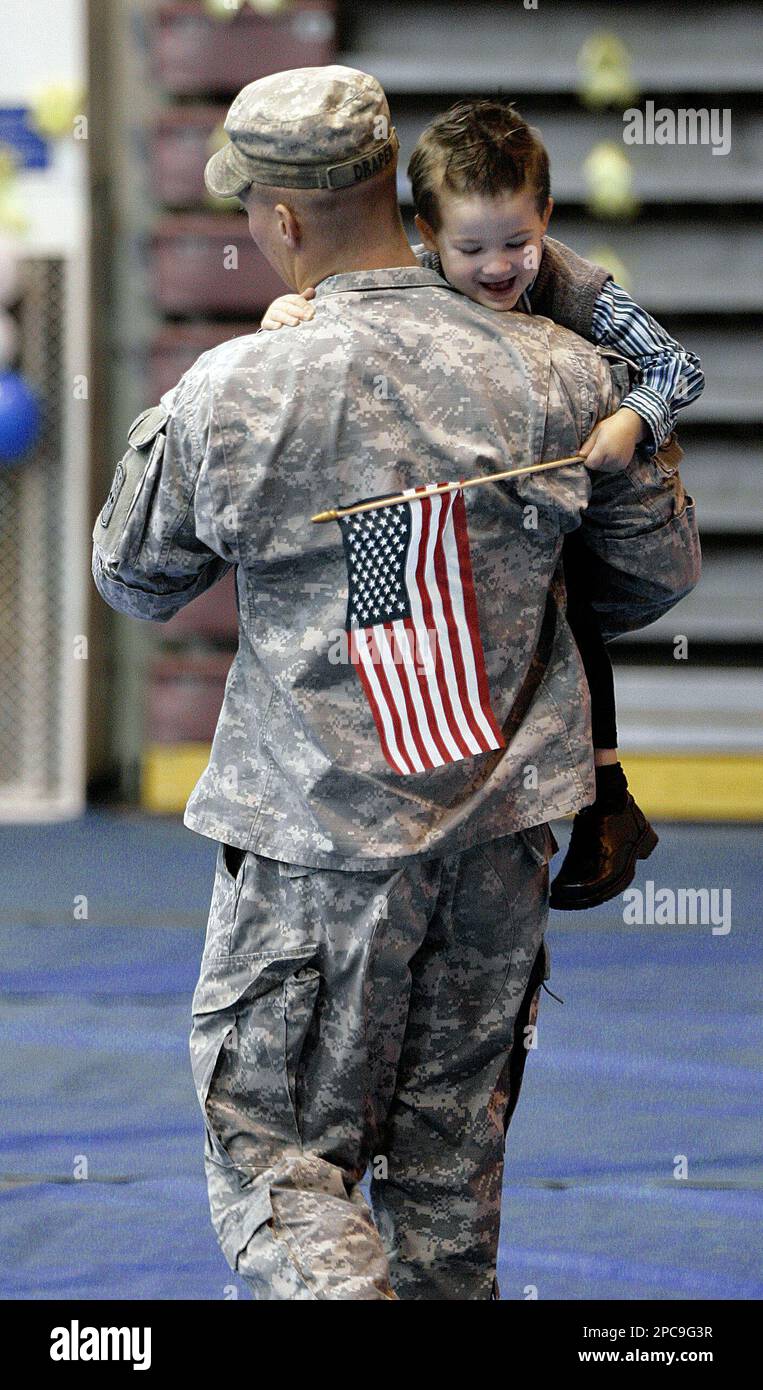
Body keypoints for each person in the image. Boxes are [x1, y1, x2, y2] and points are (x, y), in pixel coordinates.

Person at [91, 65, 700, 1300]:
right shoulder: (563, 368)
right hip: (500, 842)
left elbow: (135, 577)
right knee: (445, 1183)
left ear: (281, 219)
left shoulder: (244, 385)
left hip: (317, 851)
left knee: (281, 1165)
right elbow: (654, 573)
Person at [262, 98, 705, 913]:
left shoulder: (571, 285)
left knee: (560, 613)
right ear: (426, 236)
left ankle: (608, 797)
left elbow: (677, 366)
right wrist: (291, 309)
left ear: (545, 218)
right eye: (471, 248)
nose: (498, 267)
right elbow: (341, 319)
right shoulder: (412, 284)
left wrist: (631, 418)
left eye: (517, 243)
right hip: (466, 509)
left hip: (564, 503)